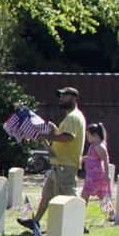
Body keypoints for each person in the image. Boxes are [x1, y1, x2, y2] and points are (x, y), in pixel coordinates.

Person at [33, 87, 86, 227]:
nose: (61, 99)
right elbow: (63, 135)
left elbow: (68, 137)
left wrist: (46, 136)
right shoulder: (70, 117)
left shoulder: (73, 117)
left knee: (67, 197)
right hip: (59, 163)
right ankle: (35, 222)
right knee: (47, 195)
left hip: (65, 164)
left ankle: (79, 226)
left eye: (65, 96)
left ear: (74, 99)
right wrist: (55, 130)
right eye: (60, 96)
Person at [79, 123, 111, 221]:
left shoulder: (99, 146)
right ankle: (112, 214)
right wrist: (85, 158)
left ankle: (79, 213)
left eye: (88, 135)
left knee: (85, 194)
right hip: (93, 175)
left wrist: (107, 175)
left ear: (95, 135)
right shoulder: (95, 145)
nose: (87, 137)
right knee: (102, 195)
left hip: (95, 176)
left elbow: (106, 160)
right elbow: (93, 157)